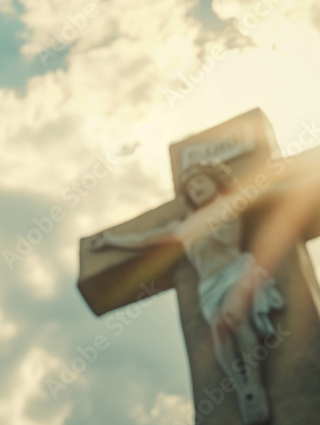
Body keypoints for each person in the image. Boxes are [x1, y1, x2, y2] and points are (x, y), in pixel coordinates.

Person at [90, 160, 283, 424]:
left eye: (201, 181)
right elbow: (144, 239)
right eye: (191, 186)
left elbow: (273, 188)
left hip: (236, 271)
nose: (197, 188)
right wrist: (112, 240)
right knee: (219, 330)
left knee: (234, 316)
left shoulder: (232, 203)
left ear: (216, 182)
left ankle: (255, 383)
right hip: (209, 286)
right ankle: (242, 390)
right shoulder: (184, 226)